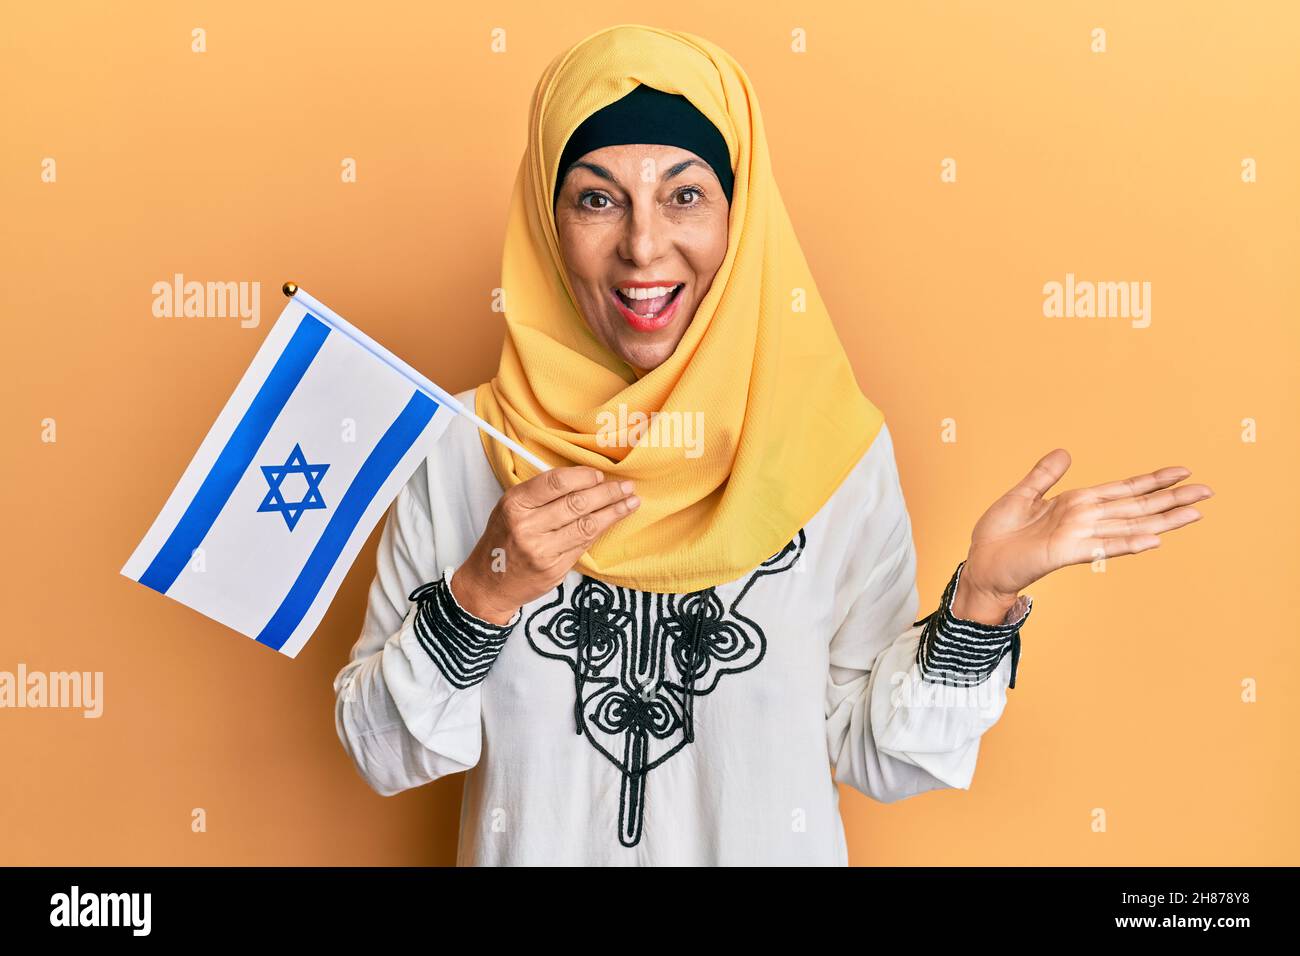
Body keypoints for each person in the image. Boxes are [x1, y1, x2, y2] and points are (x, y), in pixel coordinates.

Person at [332, 24, 1212, 865]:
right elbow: (383, 754)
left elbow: (878, 754)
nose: (644, 246)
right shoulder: (464, 448)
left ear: (741, 215)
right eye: (597, 199)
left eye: (686, 195)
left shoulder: (830, 451)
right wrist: (485, 589)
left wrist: (980, 604)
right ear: (545, 220)